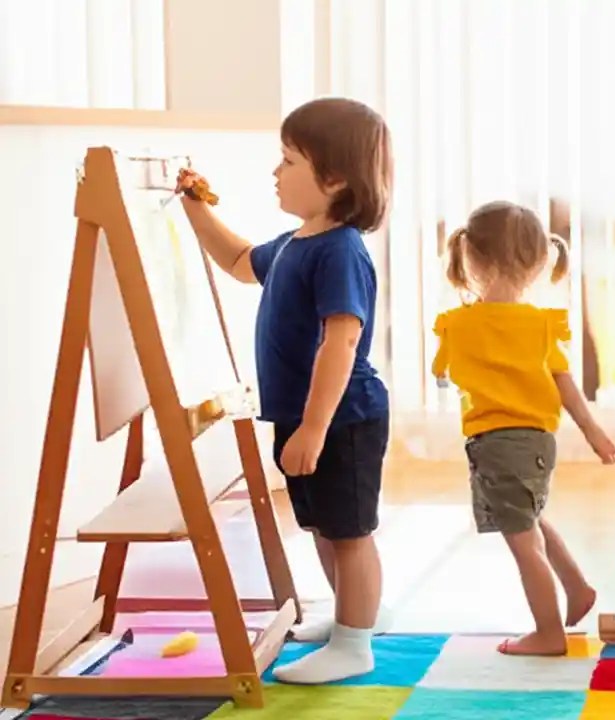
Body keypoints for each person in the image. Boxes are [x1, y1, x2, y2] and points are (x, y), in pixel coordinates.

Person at [175, 97, 394, 683]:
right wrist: (196, 210)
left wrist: (316, 428)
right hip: (305, 417)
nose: (276, 172)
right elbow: (242, 261)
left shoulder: (340, 250)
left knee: (349, 533)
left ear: (335, 177)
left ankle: (355, 642)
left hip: (342, 418)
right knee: (323, 526)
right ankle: (348, 619)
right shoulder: (298, 242)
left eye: (288, 161)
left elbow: (341, 343)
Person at [431, 200, 615, 656]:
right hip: (537, 441)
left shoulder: (457, 324)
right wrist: (594, 432)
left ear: (469, 257)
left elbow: (442, 373)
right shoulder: (540, 324)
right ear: (539, 261)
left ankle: (549, 632)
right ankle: (577, 588)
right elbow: (566, 386)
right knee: (528, 518)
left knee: (523, 543)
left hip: (496, 443)